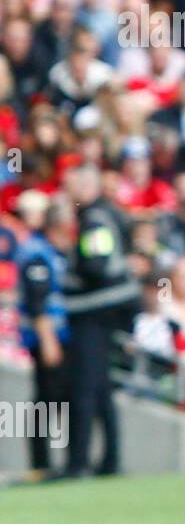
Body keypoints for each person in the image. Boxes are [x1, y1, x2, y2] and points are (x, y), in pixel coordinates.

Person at [62, 164, 140, 477]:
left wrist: (72, 273)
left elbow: (97, 264)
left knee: (84, 389)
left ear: (86, 187)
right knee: (101, 390)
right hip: (105, 313)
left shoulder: (94, 220)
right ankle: (109, 461)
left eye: (71, 187)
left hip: (96, 314)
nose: (66, 193)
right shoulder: (101, 215)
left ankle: (78, 462)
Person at [14, 192, 74, 476]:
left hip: (59, 336)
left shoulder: (53, 250)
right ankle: (40, 462)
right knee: (46, 398)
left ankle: (61, 460)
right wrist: (48, 341)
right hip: (45, 337)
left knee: (58, 398)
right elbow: (37, 303)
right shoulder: (36, 253)